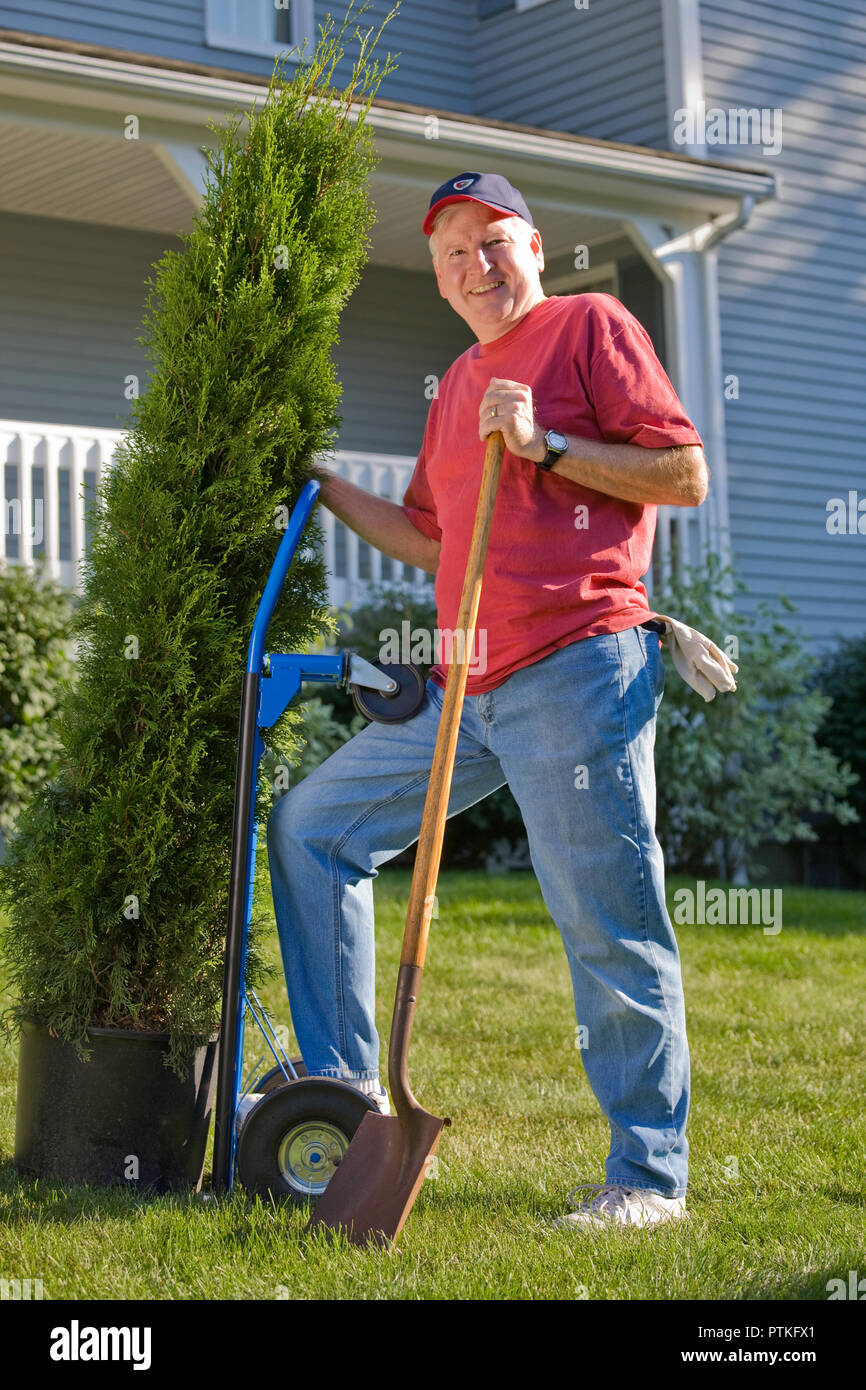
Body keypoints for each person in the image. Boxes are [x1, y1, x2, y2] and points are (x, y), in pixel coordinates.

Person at [267, 171, 709, 1228]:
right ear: (437, 274)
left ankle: (646, 1180)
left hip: (574, 666)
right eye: (452, 251)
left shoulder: (587, 328)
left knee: (605, 922)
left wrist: (548, 447)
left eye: (493, 241)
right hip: (468, 680)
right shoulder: (459, 382)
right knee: (312, 827)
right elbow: (429, 536)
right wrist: (322, 486)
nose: (475, 263)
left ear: (534, 247)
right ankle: (347, 1092)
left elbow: (683, 473)